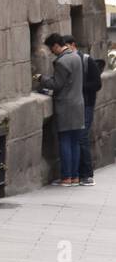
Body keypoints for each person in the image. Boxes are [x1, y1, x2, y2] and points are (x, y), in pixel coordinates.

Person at [38, 33, 86, 186]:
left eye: (52, 49)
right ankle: (75, 176)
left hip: (65, 106)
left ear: (56, 46)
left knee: (65, 140)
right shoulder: (76, 57)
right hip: (78, 104)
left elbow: (57, 84)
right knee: (75, 142)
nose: (52, 53)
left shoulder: (62, 62)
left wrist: (41, 79)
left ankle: (66, 177)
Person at [67, 35, 103, 186]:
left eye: (67, 47)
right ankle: (76, 174)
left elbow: (97, 84)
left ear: (73, 45)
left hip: (87, 104)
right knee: (75, 138)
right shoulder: (67, 62)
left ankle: (87, 174)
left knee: (82, 137)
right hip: (73, 105)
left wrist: (78, 88)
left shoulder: (86, 60)